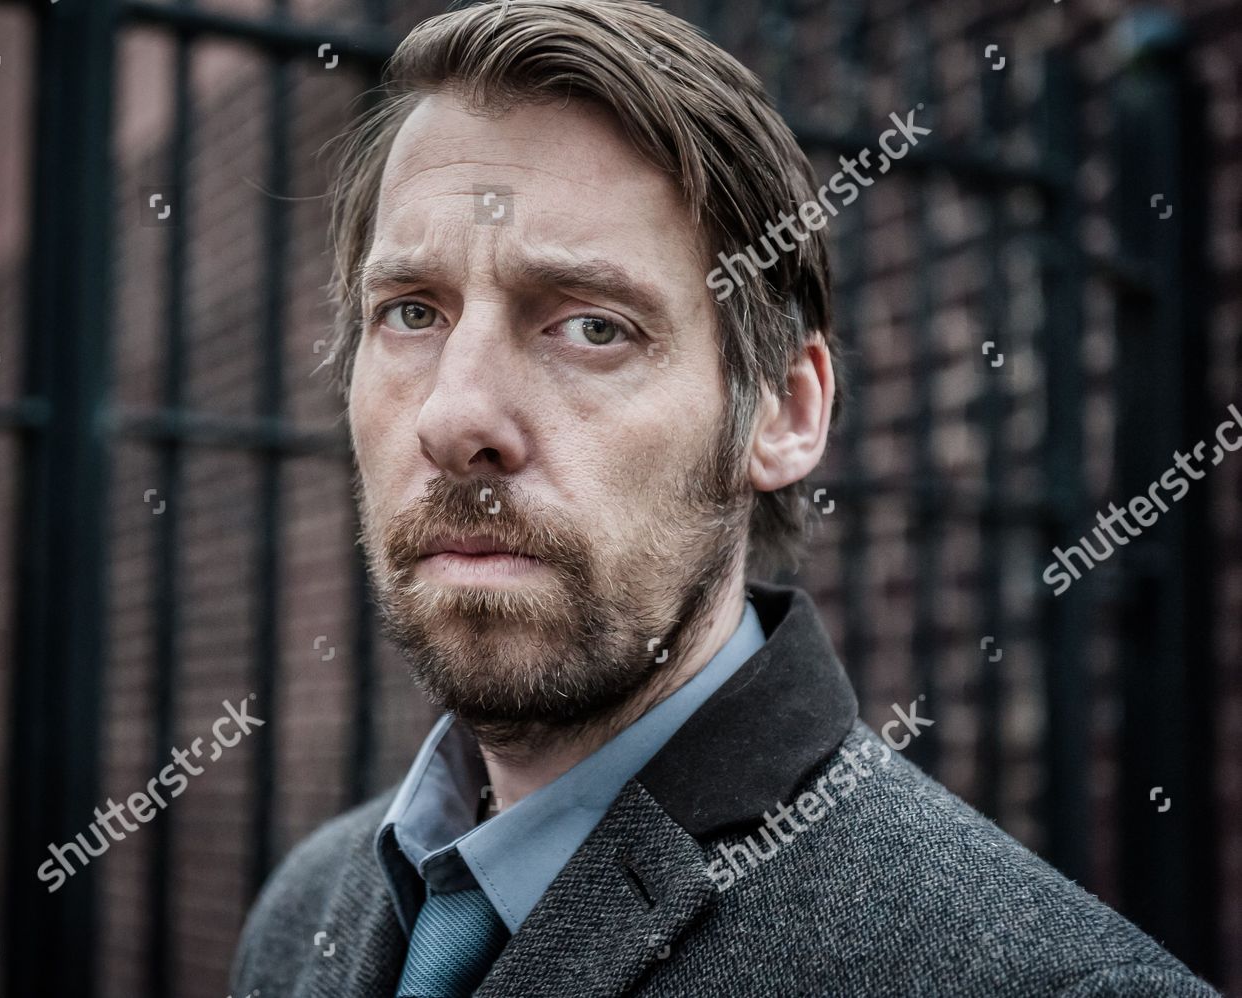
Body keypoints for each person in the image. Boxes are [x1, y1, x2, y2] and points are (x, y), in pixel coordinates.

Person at [229, 1, 1218, 994]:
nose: (453, 416)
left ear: (783, 410)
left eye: (593, 326)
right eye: (411, 312)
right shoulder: (302, 912)